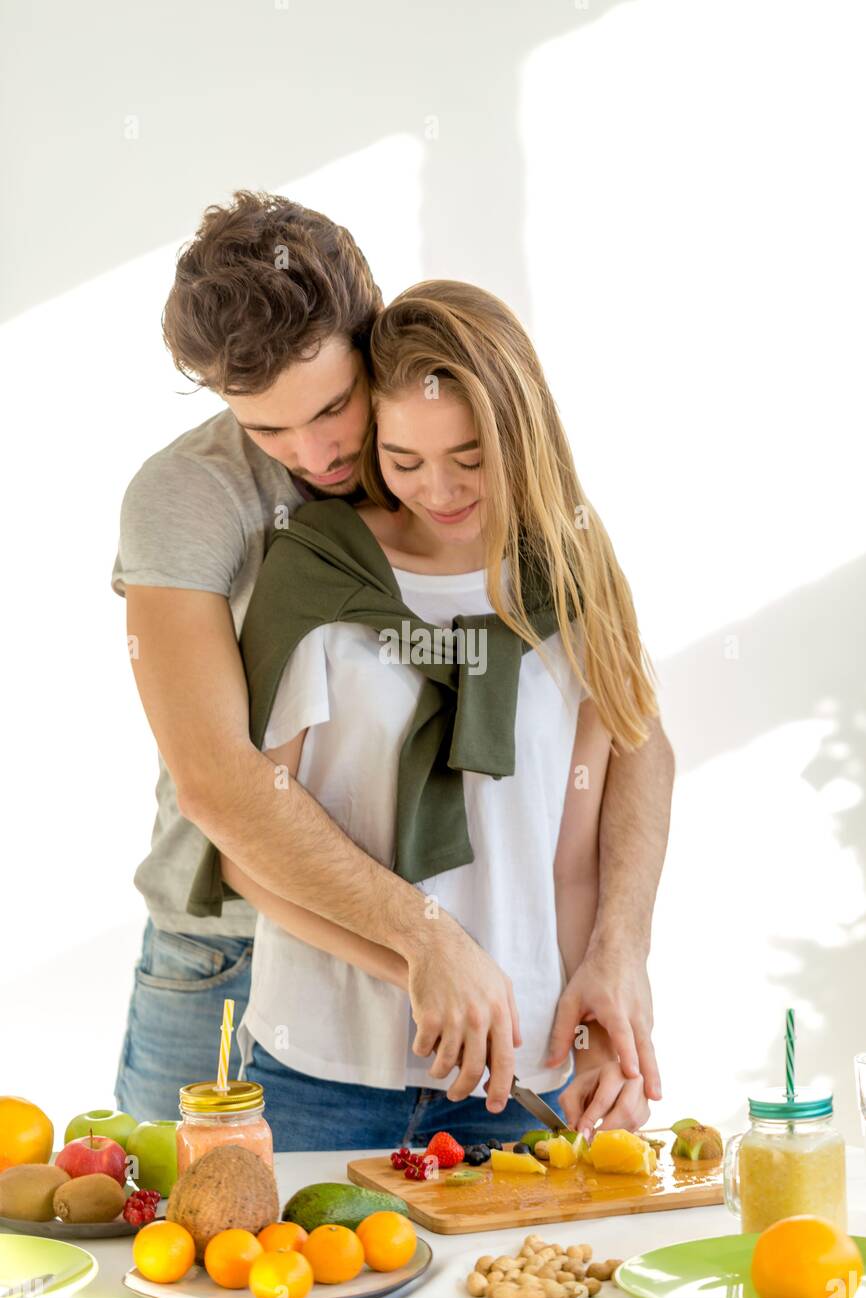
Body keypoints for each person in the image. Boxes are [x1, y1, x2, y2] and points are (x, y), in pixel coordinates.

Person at [112, 191, 673, 1124]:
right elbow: (219, 782)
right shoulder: (187, 497)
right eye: (266, 429)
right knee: (186, 1246)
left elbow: (628, 730)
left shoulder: (459, 457)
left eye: (335, 407)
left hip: (474, 965)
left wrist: (612, 952)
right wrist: (424, 944)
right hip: (229, 943)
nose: (317, 451)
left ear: (371, 329)